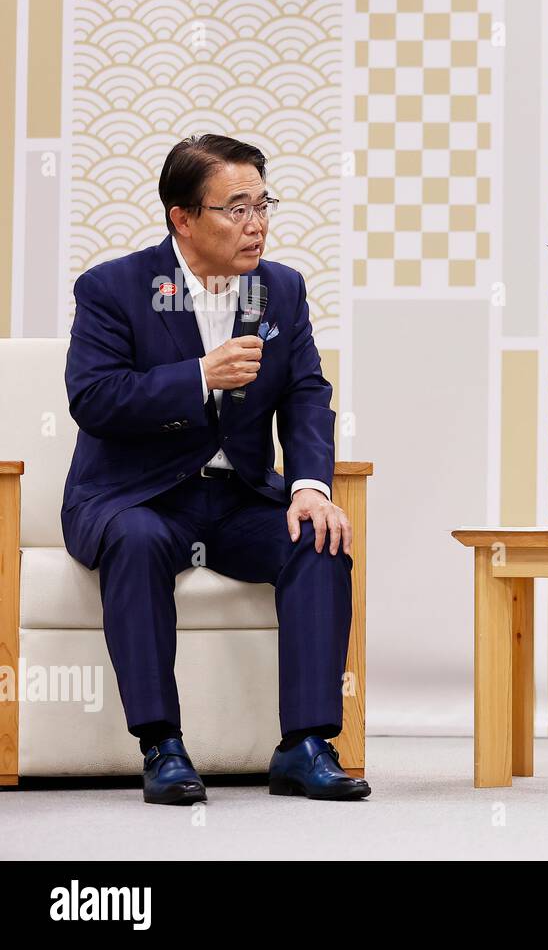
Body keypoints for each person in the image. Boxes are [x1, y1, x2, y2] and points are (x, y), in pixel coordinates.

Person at [62, 134, 371, 803]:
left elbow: (306, 392)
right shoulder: (114, 289)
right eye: (236, 208)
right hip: (136, 498)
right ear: (183, 217)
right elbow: (93, 399)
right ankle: (162, 746)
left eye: (263, 204)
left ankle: (306, 747)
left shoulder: (279, 290)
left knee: (319, 538)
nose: (256, 223)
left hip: (236, 499)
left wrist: (311, 487)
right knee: (139, 541)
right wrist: (199, 375)